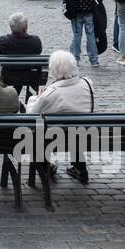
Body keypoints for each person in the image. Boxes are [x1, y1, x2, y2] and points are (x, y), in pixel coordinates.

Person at [25, 50, 96, 180]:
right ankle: (80, 168)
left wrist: (35, 98)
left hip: (55, 139)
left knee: (36, 134)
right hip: (84, 134)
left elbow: (31, 114)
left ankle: (45, 167)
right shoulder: (88, 84)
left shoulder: (51, 94)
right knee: (76, 127)